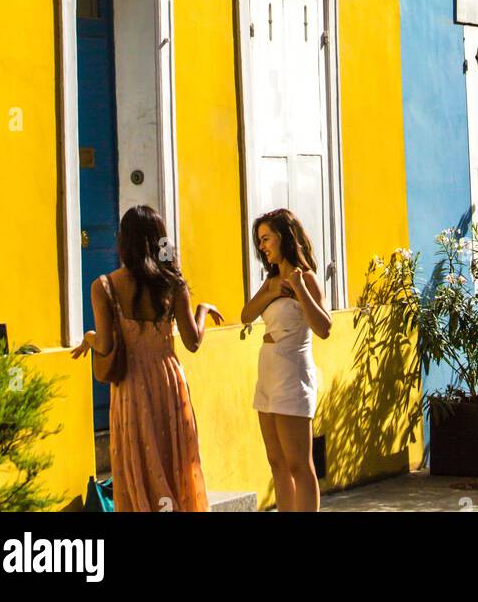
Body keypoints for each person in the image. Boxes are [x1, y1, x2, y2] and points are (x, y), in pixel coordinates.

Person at [72, 205, 223, 512]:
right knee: (173, 460)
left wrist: (88, 338)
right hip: (169, 382)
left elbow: (104, 343)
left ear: (123, 241)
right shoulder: (173, 283)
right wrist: (203, 310)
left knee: (137, 461)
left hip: (131, 386)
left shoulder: (104, 286)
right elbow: (193, 341)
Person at [241, 208, 331, 512]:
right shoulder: (271, 282)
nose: (263, 246)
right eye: (260, 241)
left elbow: (324, 328)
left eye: (266, 238)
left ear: (284, 237)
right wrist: (272, 292)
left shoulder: (306, 278)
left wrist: (299, 288)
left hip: (292, 375)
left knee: (298, 464)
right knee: (276, 462)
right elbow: (246, 315)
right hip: (267, 373)